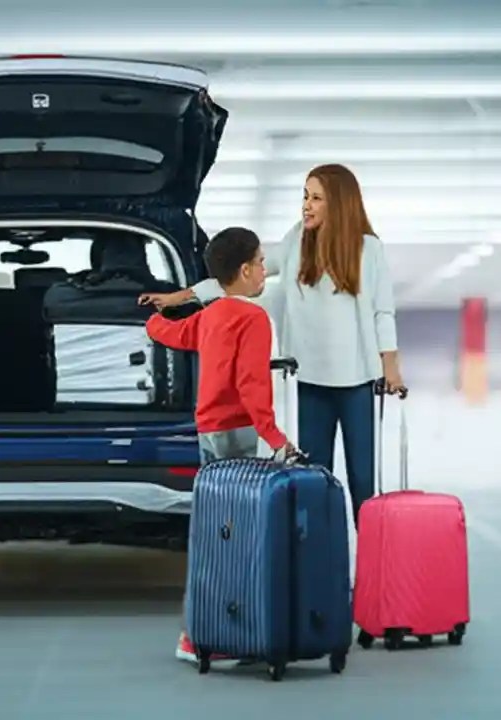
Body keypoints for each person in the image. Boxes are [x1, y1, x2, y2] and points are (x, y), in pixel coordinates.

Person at [141, 163, 405, 528]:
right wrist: (179, 298)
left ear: (339, 204)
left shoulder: (367, 249)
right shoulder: (296, 240)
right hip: (312, 378)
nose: (306, 206)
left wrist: (389, 365)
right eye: (304, 196)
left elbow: (382, 311)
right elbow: (235, 278)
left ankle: (373, 562)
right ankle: (318, 556)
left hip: (357, 380)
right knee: (314, 477)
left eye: (316, 198)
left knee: (363, 478)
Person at [143, 225, 297, 665]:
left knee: (214, 535)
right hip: (236, 435)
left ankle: (197, 632)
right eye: (263, 263)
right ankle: (217, 632)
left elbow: (171, 334)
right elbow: (252, 388)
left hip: (207, 433)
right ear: (246, 271)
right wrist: (277, 440)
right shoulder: (253, 319)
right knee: (237, 538)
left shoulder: (210, 316)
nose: (267, 270)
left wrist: (151, 316)